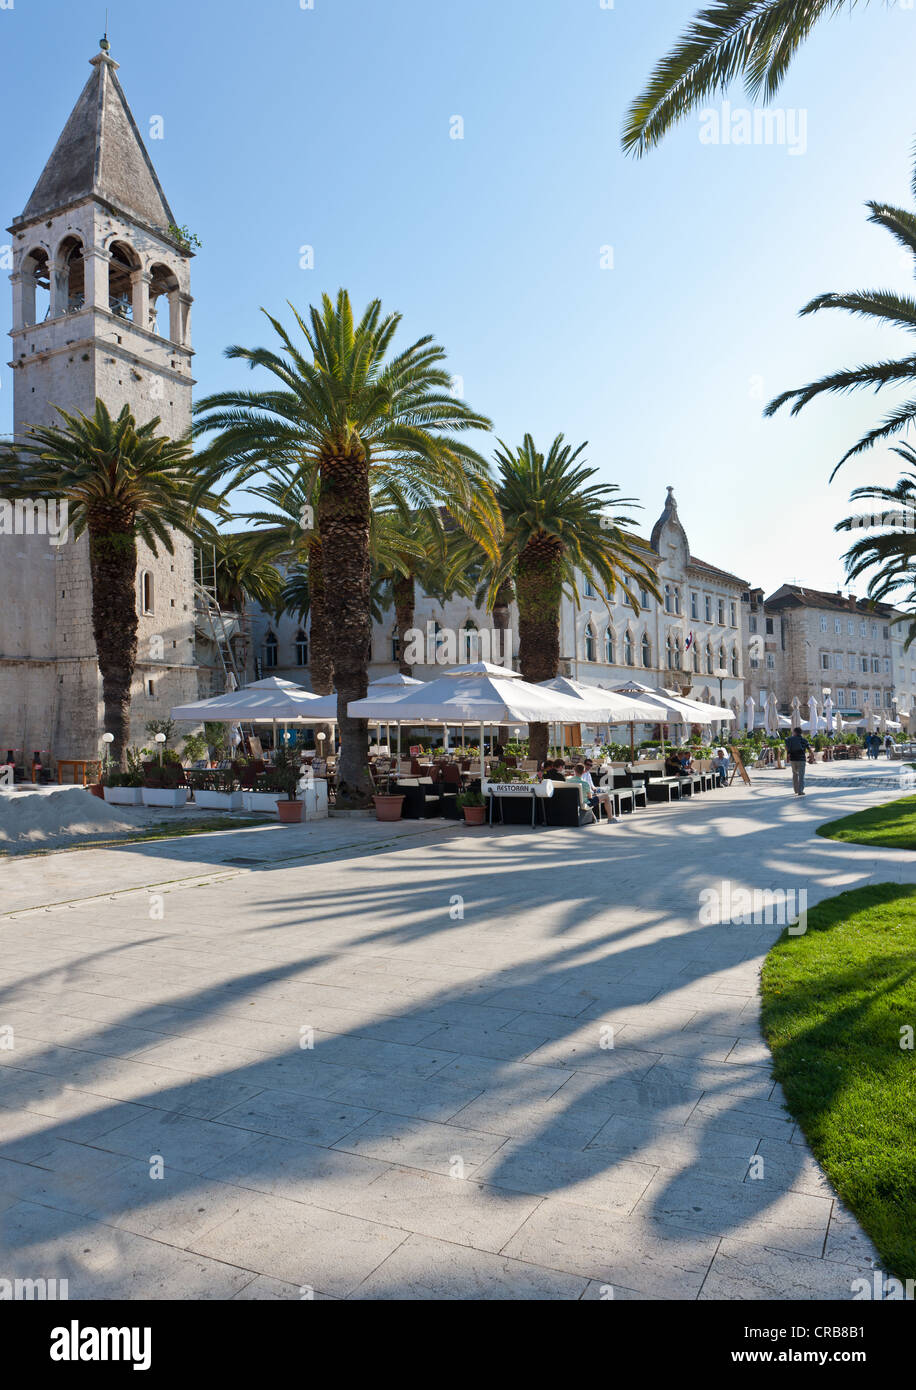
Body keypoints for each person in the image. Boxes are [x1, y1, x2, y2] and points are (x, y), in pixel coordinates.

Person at [785, 726, 810, 796]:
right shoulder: (804, 740)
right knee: (801, 775)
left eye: (793, 732)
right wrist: (812, 756)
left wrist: (789, 753)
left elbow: (786, 748)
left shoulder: (790, 739)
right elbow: (809, 749)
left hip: (793, 759)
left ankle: (796, 790)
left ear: (795, 732)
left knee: (795, 774)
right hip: (801, 760)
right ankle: (800, 791)